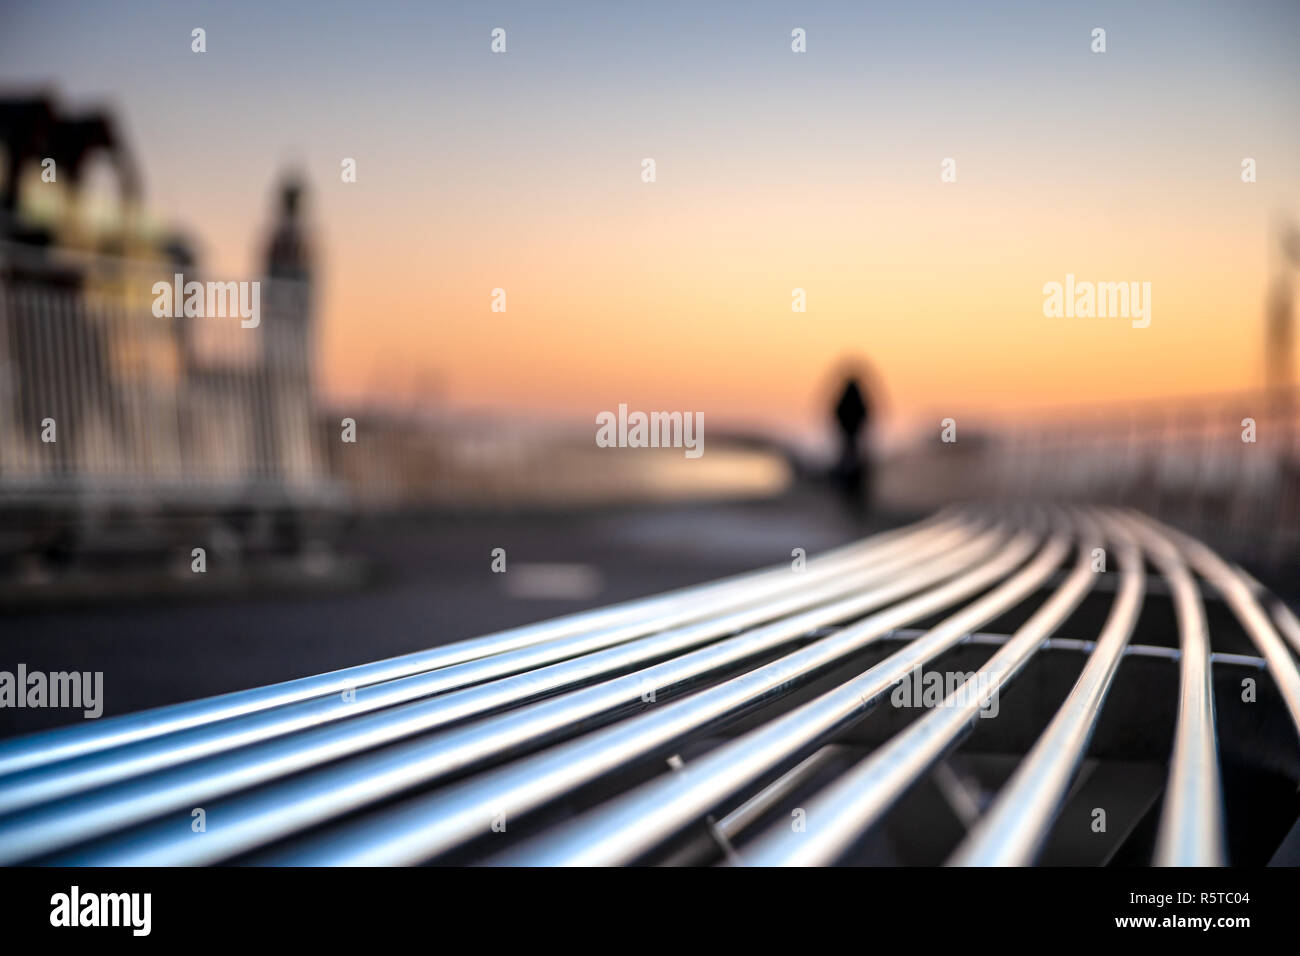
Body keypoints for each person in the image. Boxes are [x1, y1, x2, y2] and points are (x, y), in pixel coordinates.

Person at [832, 372, 873, 506]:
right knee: (850, 460)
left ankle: (849, 488)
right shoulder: (855, 397)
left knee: (848, 460)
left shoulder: (846, 397)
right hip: (851, 436)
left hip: (851, 436)